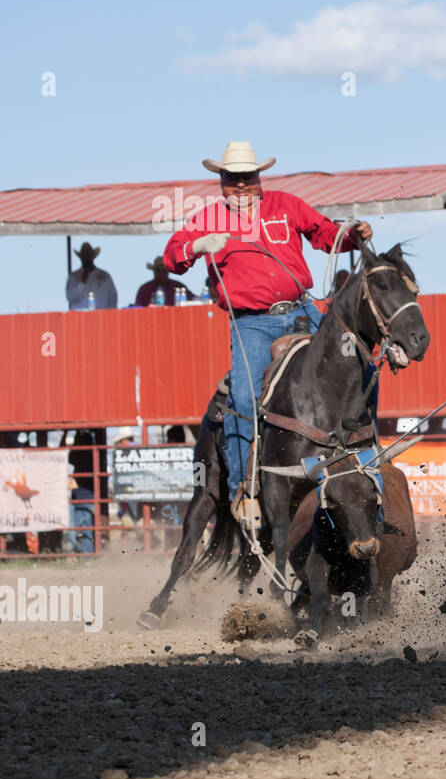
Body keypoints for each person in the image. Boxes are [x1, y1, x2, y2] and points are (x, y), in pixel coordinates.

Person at [163, 141, 373, 525]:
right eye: (233, 179)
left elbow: (326, 234)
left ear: (259, 178)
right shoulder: (208, 217)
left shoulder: (286, 205)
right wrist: (196, 244)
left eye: (248, 178)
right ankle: (246, 490)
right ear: (221, 181)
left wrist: (353, 233)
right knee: (244, 399)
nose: (241, 186)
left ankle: (367, 464)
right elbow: (173, 257)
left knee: (360, 368)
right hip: (251, 323)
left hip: (302, 310)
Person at [66, 242, 117, 310]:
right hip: (80, 317)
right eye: (85, 255)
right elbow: (70, 297)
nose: (87, 258)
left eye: (88, 255)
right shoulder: (74, 276)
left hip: (102, 316)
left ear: (92, 256)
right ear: (81, 257)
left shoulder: (105, 276)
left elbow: (113, 298)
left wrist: (110, 316)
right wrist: (82, 283)